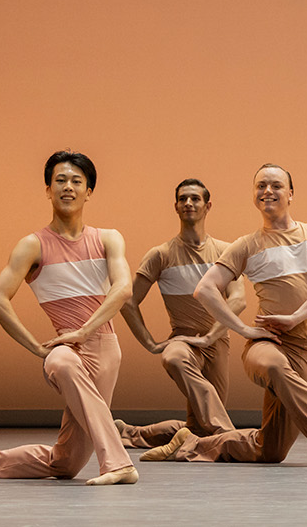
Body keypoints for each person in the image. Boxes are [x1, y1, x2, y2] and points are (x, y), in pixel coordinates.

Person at [0, 151, 138, 485]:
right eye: (60, 180)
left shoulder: (108, 238)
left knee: (65, 463)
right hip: (66, 348)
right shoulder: (32, 246)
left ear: (89, 191)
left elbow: (123, 289)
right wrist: (39, 349)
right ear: (48, 189)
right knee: (61, 362)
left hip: (104, 348)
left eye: (76, 181)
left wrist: (85, 331)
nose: (67, 187)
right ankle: (118, 464)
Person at [139, 164, 307, 467]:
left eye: (276, 186)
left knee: (270, 450)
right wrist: (244, 330)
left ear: (291, 194)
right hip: (268, 344)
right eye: (261, 186)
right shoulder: (248, 245)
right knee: (274, 364)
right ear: (255, 196)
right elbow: (205, 289)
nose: (268, 191)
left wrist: (296, 317)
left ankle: (190, 445)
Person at [115, 179, 244, 448]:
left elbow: (238, 300)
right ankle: (232, 436)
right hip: (184, 341)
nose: (188, 203)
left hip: (217, 342)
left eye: (195, 198)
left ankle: (131, 433)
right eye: (183, 198)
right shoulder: (160, 255)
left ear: (208, 206)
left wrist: (210, 337)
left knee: (200, 427)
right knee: (173, 358)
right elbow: (127, 301)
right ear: (175, 206)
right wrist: (150, 343)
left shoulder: (224, 252)